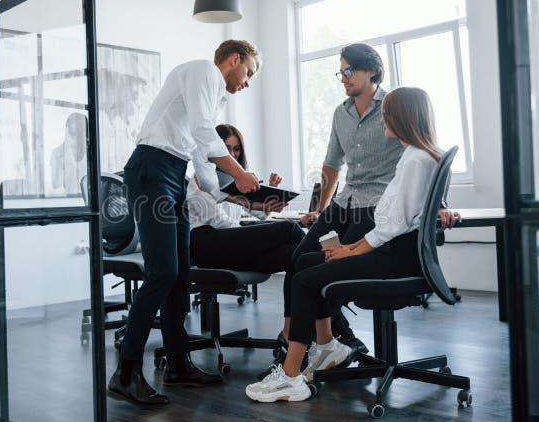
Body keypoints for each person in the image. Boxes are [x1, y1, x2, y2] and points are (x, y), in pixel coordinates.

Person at [245, 86, 460, 403]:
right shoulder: (420, 156)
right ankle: (328, 345)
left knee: (305, 279)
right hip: (396, 252)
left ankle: (291, 376)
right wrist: (348, 249)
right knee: (305, 261)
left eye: (387, 113)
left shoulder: (414, 161)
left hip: (396, 259)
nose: (383, 118)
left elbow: (392, 226)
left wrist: (350, 249)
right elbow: (391, 221)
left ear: (400, 117)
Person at [107, 40, 262, 406]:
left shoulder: (209, 93)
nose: (247, 82)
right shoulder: (203, 71)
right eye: (249, 72)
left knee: (179, 273)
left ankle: (178, 363)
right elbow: (204, 132)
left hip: (172, 172)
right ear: (234, 60)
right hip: (151, 168)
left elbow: (201, 158)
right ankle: (126, 372)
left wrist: (235, 195)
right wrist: (239, 172)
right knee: (162, 272)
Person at [289, 43, 402, 358]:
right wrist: (320, 208)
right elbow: (331, 164)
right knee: (301, 257)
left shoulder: (392, 106)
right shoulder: (341, 112)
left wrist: (441, 203)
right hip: (345, 200)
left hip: (378, 203)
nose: (343, 78)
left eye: (349, 71)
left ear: (371, 71)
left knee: (332, 264)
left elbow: (423, 151)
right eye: (341, 72)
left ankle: (342, 339)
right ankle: (331, 338)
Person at [187, 124, 306, 311]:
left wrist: (267, 203)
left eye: (236, 149)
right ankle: (331, 267)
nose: (232, 155)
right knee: (288, 229)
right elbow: (220, 223)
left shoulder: (235, 180)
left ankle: (291, 331)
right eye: (226, 149)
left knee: (294, 255)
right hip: (206, 246)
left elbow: (259, 215)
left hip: (230, 246)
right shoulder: (202, 177)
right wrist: (255, 236)